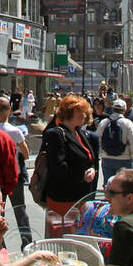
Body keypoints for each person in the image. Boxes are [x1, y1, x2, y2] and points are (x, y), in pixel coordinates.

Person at [36, 94, 99, 232]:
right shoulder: (55, 134)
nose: (84, 115)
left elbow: (90, 159)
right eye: (80, 111)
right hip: (64, 198)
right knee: (62, 237)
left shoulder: (80, 133)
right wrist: (81, 176)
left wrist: (92, 169)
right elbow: (58, 167)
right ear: (69, 112)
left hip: (81, 196)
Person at [0, 96, 35, 250]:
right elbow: (26, 153)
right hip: (13, 175)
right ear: (9, 110)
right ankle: (27, 242)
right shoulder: (15, 131)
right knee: (20, 209)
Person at [97, 99, 133, 184]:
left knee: (109, 185)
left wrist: (101, 153)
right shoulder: (127, 123)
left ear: (112, 109)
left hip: (107, 158)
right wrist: (131, 156)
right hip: (124, 158)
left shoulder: (104, 122)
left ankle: (109, 197)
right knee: (124, 186)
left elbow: (97, 139)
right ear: (124, 110)